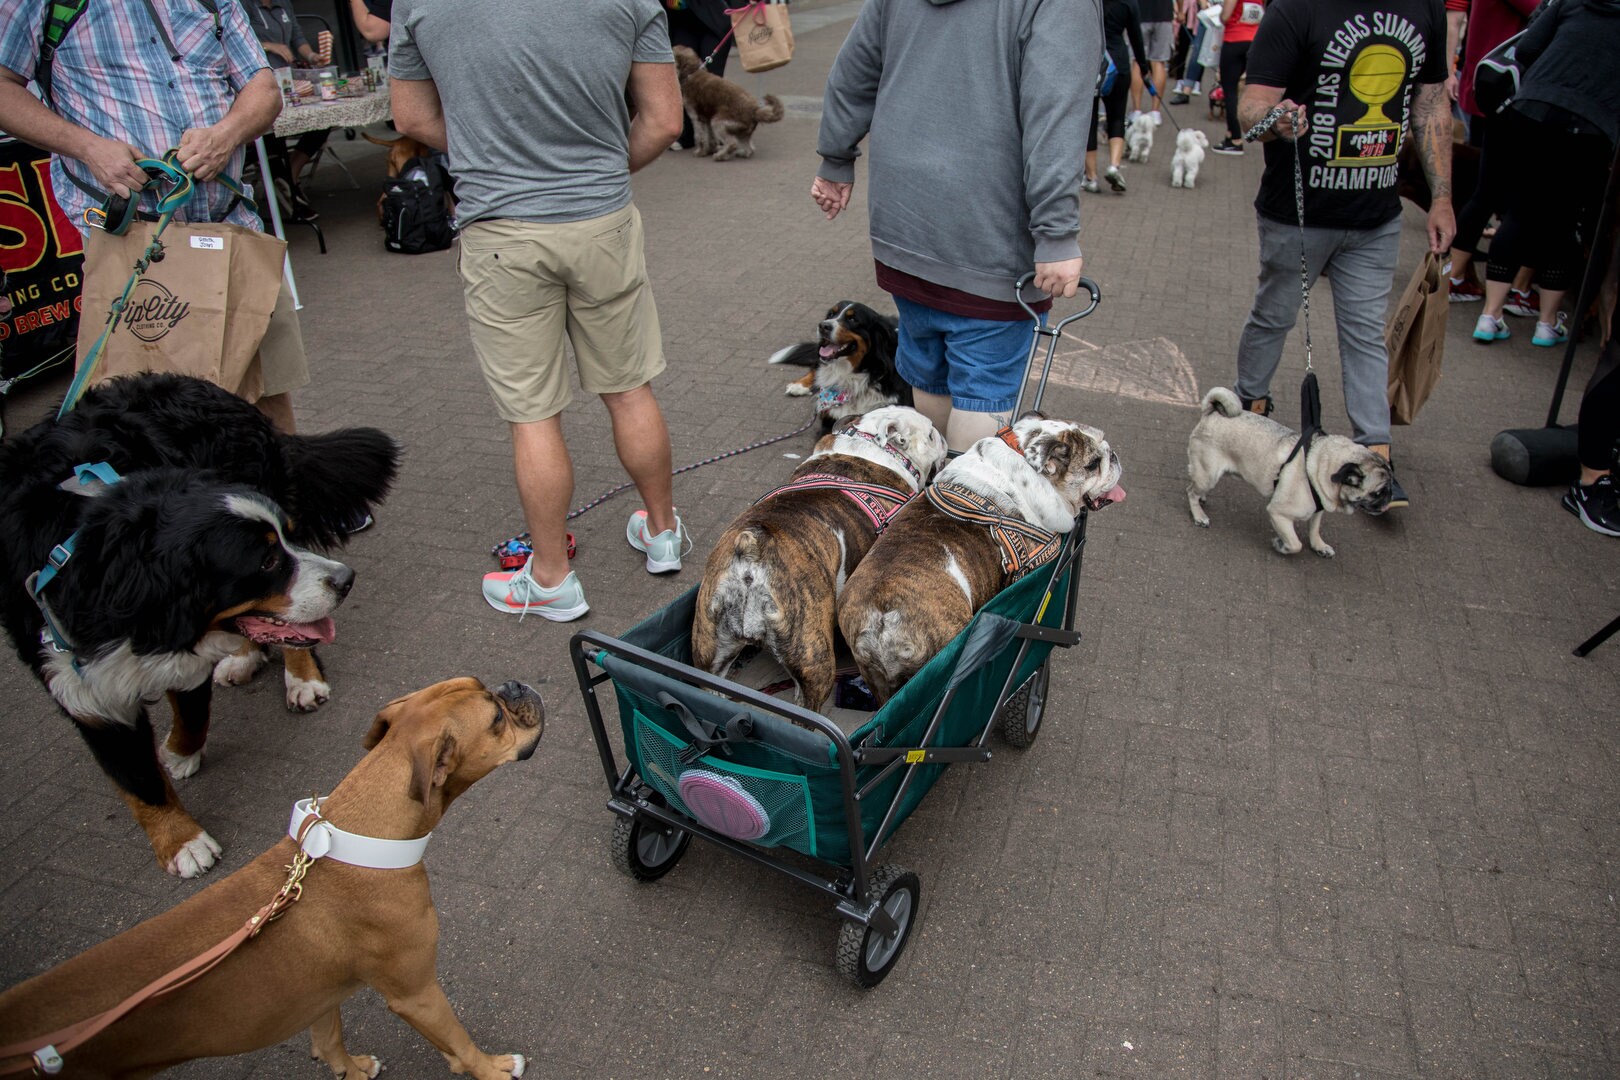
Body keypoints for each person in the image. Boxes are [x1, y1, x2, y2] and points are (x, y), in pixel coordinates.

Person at [389, 0, 686, 621]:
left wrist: (489, 151)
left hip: (502, 231)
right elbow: (662, 121)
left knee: (533, 416)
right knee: (631, 389)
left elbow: (412, 114)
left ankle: (551, 578)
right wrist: (600, 165)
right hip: (601, 221)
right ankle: (663, 533)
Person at [0, 0, 307, 437]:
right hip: (129, 241)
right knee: (149, 416)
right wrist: (88, 147)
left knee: (267, 396)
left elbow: (263, 87)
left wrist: (227, 134)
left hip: (231, 230)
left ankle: (286, 501)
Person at [811, 0, 1100, 453]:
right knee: (983, 390)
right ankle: (953, 512)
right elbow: (1055, 108)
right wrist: (1056, 230)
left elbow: (856, 67)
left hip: (904, 223)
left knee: (929, 372)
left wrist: (836, 157)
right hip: (990, 237)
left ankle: (925, 494)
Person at [1231, 0, 1456, 510]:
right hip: (1298, 213)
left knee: (1364, 335)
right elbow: (1250, 107)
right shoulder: (1295, 10)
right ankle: (1245, 413)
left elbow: (1430, 102)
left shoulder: (1425, 7)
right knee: (1273, 317)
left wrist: (1441, 197)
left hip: (1376, 217)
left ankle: (1377, 455)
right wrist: (1275, 119)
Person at [1469, 0, 1619, 349]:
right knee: (1565, 223)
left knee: (1518, 212)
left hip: (1533, 109)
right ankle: (1546, 323)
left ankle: (1490, 315)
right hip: (1592, 124)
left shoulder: (1572, 2)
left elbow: (1527, 47)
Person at [1443, 0, 1538, 304]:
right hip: (1505, 94)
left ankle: (1456, 275)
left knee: (1488, 193)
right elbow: (1546, 10)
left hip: (1491, 88)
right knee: (1505, 197)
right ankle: (1469, 281)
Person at [246, 0, 330, 221]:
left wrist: (311, 56)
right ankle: (283, 181)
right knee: (269, 127)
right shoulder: (245, 5)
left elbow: (297, 37)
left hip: (289, 80)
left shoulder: (283, 4)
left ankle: (290, 172)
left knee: (323, 117)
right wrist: (271, 46)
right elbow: (240, 39)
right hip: (260, 81)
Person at [1090, 0, 1153, 194]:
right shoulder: (1129, 2)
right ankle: (1114, 166)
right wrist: (1143, 67)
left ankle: (1091, 177)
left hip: (1092, 60)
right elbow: (1136, 37)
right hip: (1118, 61)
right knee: (1117, 117)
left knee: (1089, 122)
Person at [665, 0, 737, 150]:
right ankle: (687, 135)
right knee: (682, 78)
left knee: (710, 79)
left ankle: (719, 133)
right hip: (680, 21)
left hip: (713, 21)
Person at [1210, 0, 1269, 154]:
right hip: (1254, 40)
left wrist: (1221, 13)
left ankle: (1235, 139)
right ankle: (1231, 134)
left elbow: (1225, 16)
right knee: (1248, 88)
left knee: (1230, 90)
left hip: (1234, 39)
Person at [1133, 0, 1178, 124]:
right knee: (1158, 62)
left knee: (1137, 61)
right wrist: (1180, 11)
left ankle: (1136, 110)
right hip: (1163, 14)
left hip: (1140, 13)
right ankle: (1155, 111)